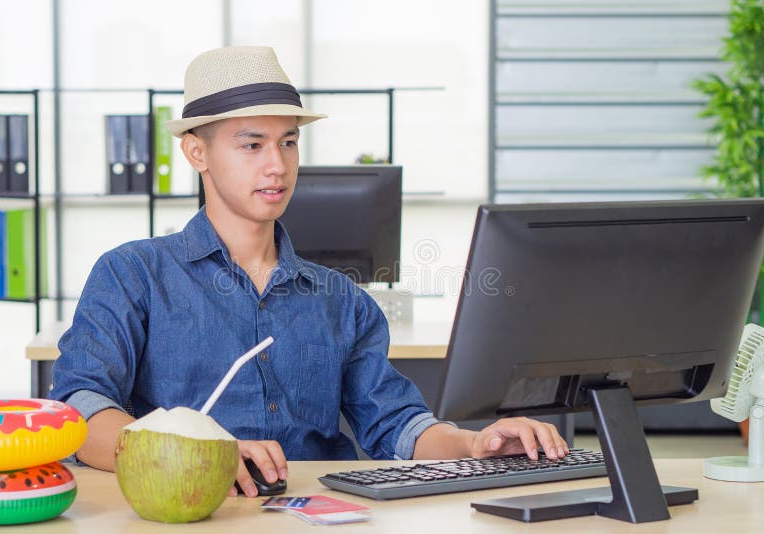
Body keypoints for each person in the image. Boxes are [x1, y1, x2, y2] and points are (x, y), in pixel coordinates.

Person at [50, 46, 569, 498]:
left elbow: (395, 424)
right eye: (252, 145)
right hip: (189, 514)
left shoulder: (341, 300)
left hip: (312, 516)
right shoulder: (132, 274)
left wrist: (473, 444)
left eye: (289, 142)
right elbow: (80, 407)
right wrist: (187, 454)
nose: (277, 164)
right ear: (196, 152)